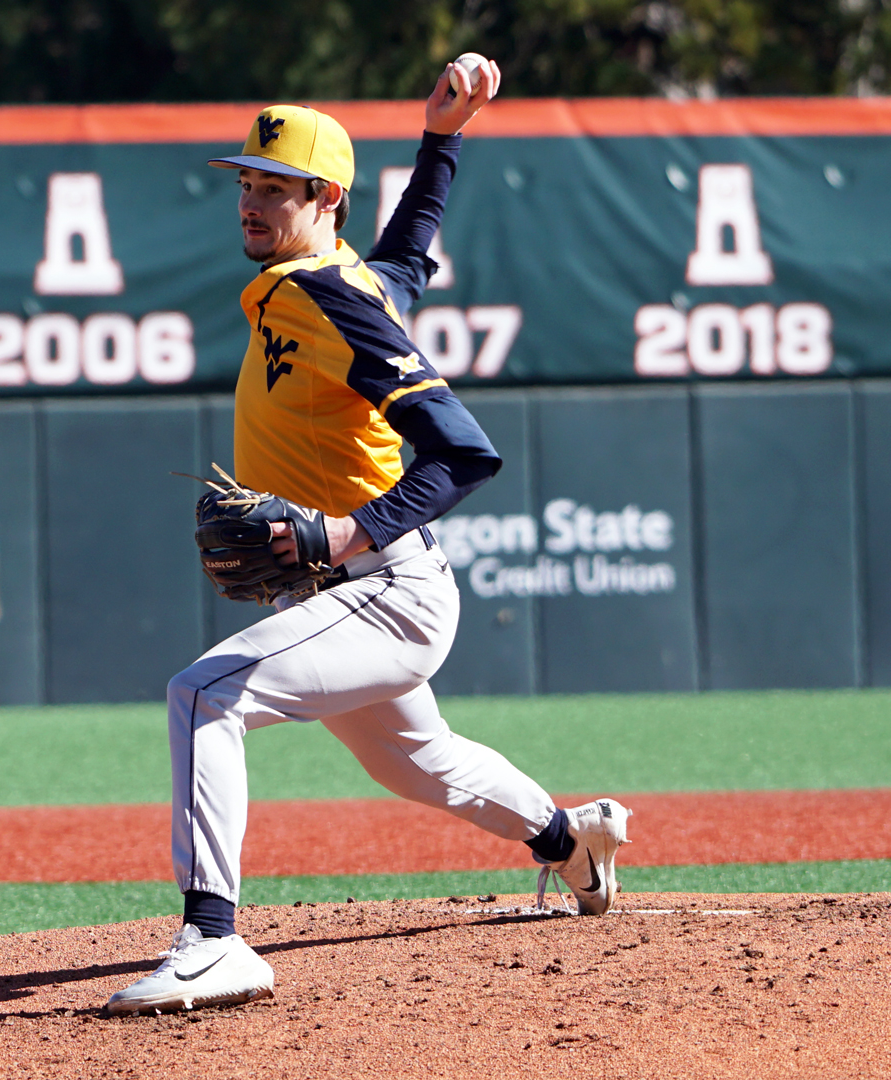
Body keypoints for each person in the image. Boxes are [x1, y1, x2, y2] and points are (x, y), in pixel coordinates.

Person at [105, 58, 631, 1017]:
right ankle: (572, 838)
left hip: (386, 587)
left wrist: (349, 530)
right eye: (246, 184)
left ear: (326, 200)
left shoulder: (329, 297)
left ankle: (214, 941)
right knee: (422, 765)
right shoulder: (336, 282)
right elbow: (411, 255)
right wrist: (442, 139)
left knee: (201, 696)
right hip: (342, 592)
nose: (252, 202)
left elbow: (465, 454)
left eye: (277, 187)